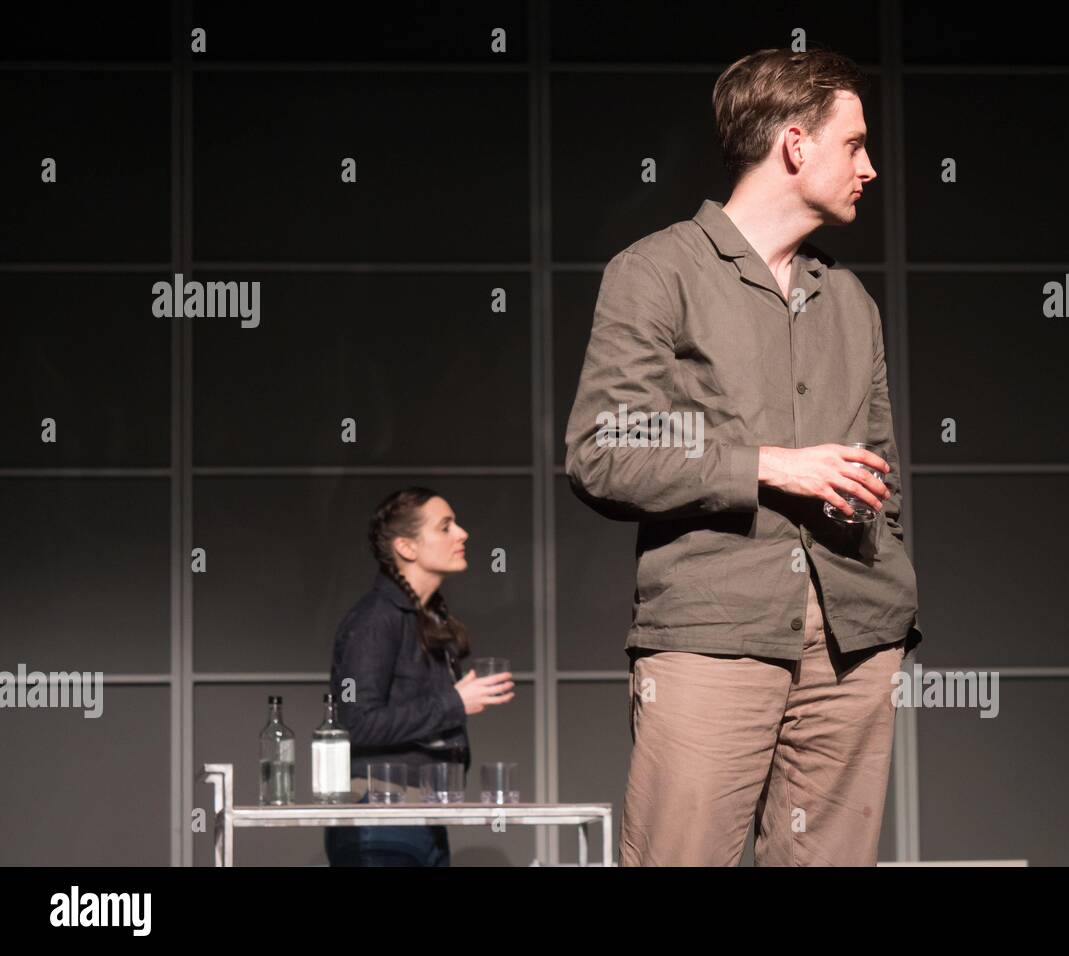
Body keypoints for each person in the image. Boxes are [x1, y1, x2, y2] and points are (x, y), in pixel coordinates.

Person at [564, 47, 923, 866]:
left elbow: (883, 475)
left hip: (853, 638)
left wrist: (883, 578)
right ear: (795, 145)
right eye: (855, 144)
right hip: (712, 632)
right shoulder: (658, 272)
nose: (869, 167)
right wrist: (767, 464)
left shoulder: (850, 300)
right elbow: (602, 448)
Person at [324, 487, 514, 866]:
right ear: (407, 548)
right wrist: (454, 702)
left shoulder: (427, 618)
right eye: (445, 527)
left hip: (419, 816)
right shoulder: (376, 619)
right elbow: (355, 724)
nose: (462, 534)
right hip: (380, 819)